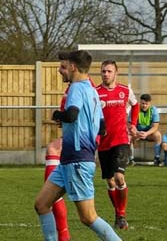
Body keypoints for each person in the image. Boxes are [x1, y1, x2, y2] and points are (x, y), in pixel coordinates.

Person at [33, 50, 120, 241]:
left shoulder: (77, 88)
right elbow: (102, 128)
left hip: (77, 162)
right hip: (69, 162)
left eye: (63, 66)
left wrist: (57, 115)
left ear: (73, 66)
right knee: (41, 204)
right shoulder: (93, 91)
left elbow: (71, 114)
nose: (60, 70)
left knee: (88, 217)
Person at [94, 60, 136, 230]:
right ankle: (118, 213)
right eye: (103, 71)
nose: (106, 74)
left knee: (119, 177)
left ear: (116, 73)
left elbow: (135, 104)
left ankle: (122, 214)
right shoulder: (95, 92)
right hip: (104, 143)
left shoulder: (125, 91)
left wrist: (133, 124)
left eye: (109, 71)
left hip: (121, 140)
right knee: (110, 182)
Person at [133, 94, 162, 164]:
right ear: (140, 102)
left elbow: (155, 126)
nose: (144, 105)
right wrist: (137, 133)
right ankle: (130, 159)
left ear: (150, 103)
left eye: (146, 104)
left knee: (158, 135)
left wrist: (146, 133)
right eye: (143, 103)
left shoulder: (153, 110)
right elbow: (131, 124)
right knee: (128, 136)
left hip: (149, 134)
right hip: (137, 133)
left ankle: (156, 158)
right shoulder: (135, 109)